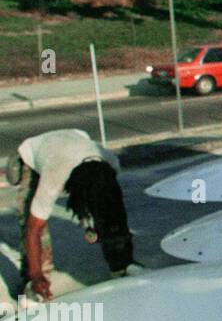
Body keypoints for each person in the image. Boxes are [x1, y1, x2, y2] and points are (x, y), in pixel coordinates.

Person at [9, 129, 134, 301]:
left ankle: (121, 266)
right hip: (35, 153)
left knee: (109, 211)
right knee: (33, 219)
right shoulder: (55, 174)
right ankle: (34, 282)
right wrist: (36, 274)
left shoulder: (110, 163)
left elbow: (114, 209)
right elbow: (33, 229)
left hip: (74, 140)